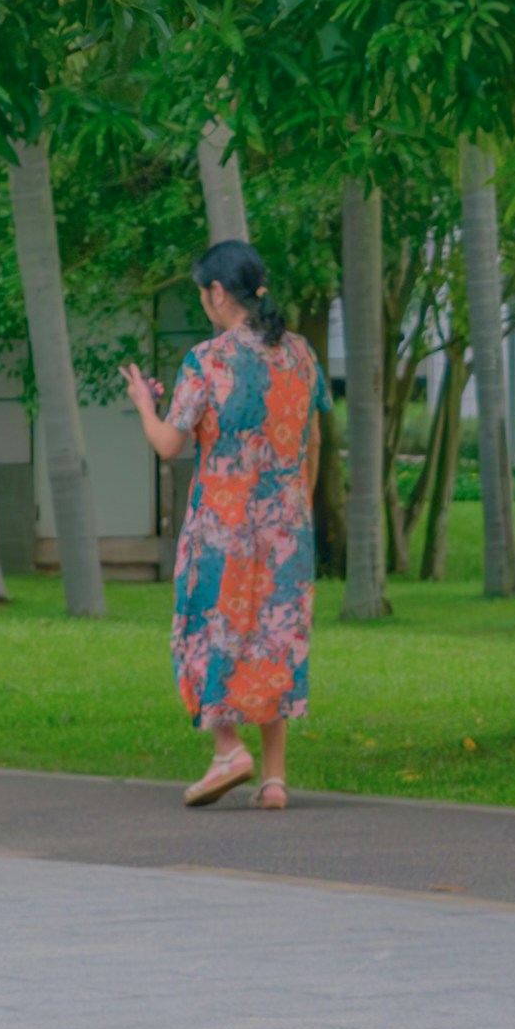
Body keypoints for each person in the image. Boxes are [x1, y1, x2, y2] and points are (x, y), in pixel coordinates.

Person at [128, 238, 318, 811]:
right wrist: (295, 512)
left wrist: (143, 400)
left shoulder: (207, 360)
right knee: (272, 642)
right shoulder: (302, 355)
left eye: (202, 293)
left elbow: (167, 444)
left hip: (222, 527)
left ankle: (228, 750)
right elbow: (308, 443)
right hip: (287, 528)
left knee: (207, 633)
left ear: (217, 292)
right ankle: (275, 780)